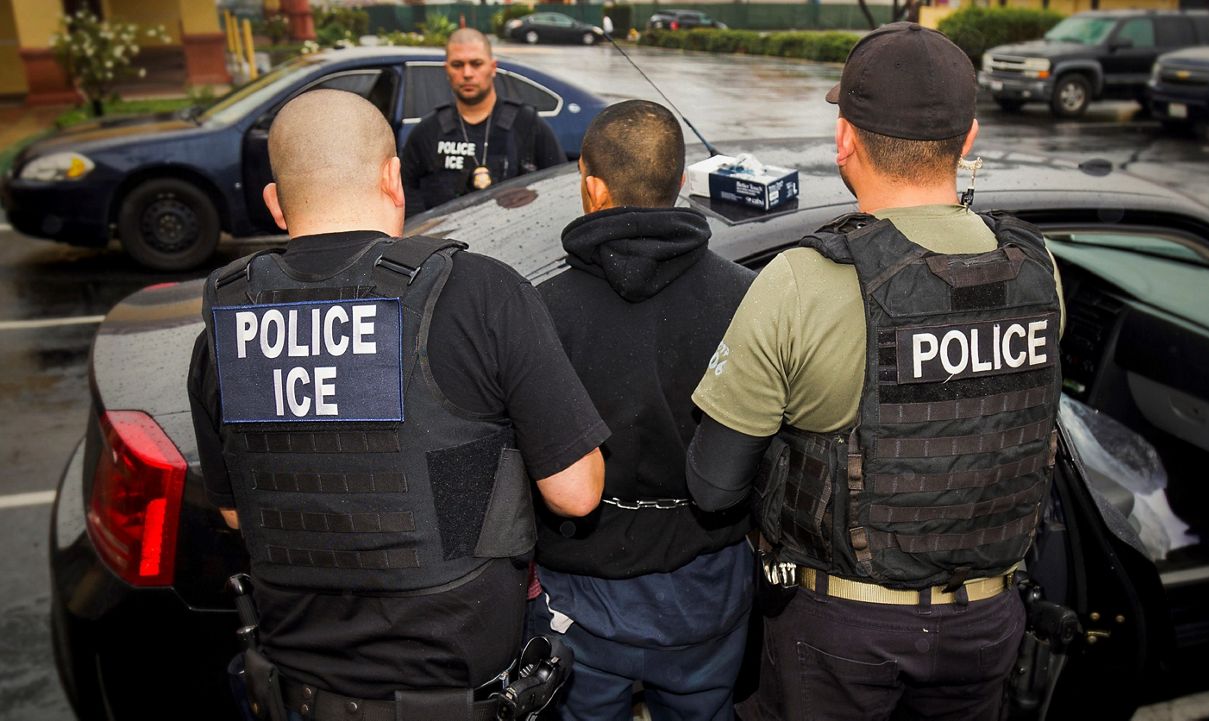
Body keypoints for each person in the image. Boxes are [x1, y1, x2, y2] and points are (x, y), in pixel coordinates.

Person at [685, 22, 1066, 721]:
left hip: (843, 637)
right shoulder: (1040, 272)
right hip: (988, 624)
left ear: (845, 140)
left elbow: (713, 484)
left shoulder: (803, 280)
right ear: (969, 138)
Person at [187, 89, 608, 721]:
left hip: (296, 693)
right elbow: (576, 494)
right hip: (455, 692)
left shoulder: (226, 330)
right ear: (393, 177)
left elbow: (237, 513)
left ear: (275, 203)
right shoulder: (479, 294)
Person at [528, 100, 756, 721]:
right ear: (680, 184)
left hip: (582, 596)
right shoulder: (748, 299)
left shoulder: (539, 312)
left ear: (592, 186)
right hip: (707, 590)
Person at [400, 28, 565, 216]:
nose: (467, 73)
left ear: (493, 68)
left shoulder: (528, 125)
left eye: (476, 64)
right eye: (457, 65)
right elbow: (406, 194)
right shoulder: (427, 132)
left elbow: (556, 189)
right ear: (447, 70)